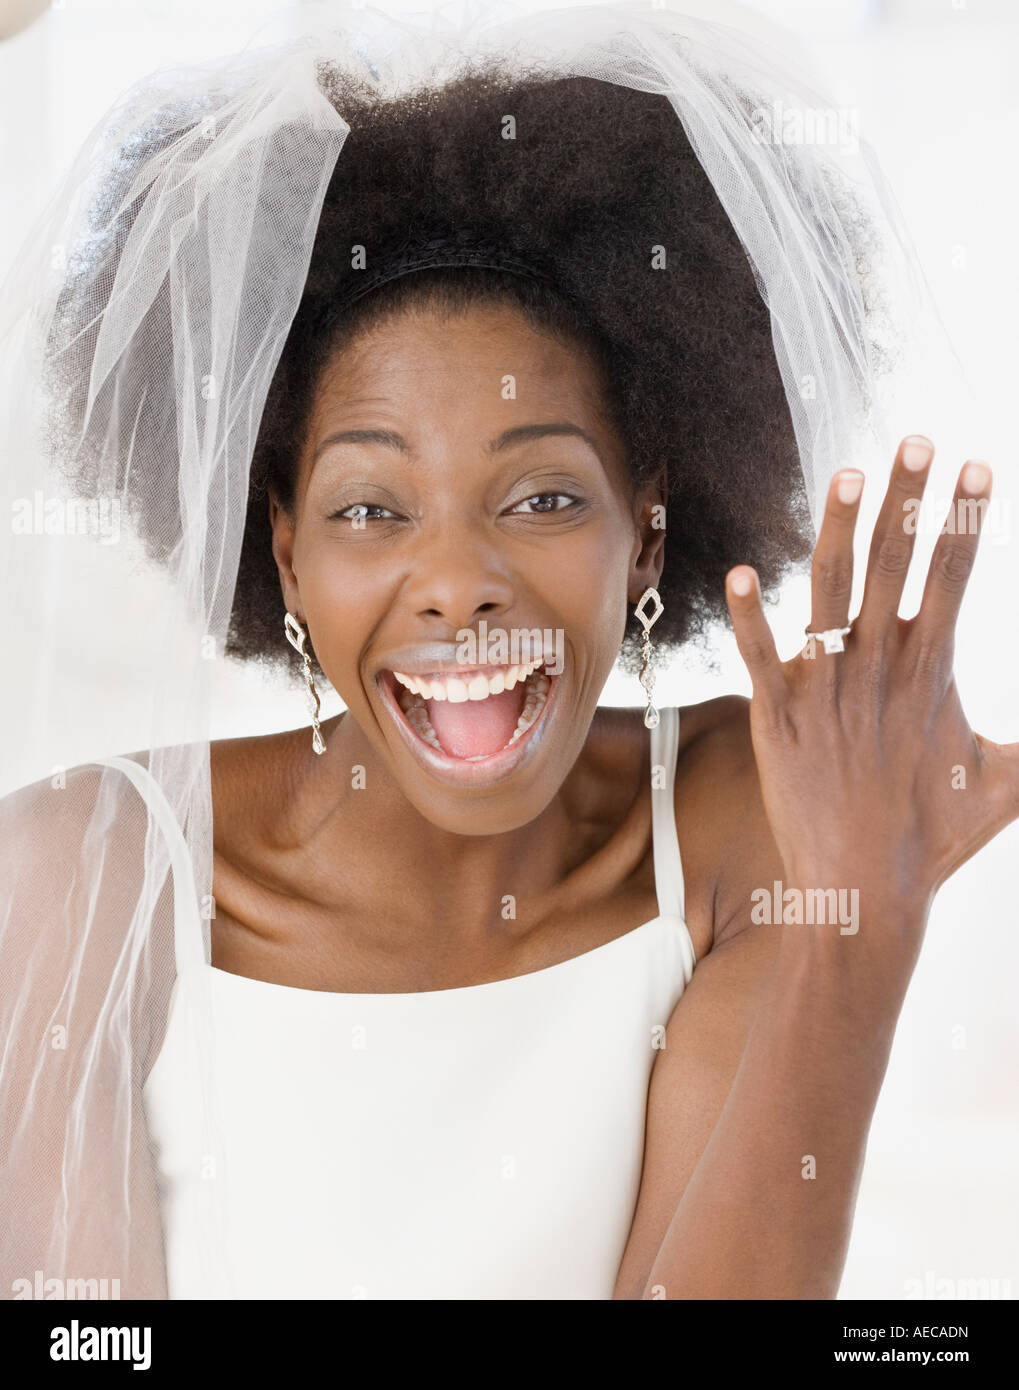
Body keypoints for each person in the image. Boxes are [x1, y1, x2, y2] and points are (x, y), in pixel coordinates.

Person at [2, 1, 1013, 1301]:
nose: (460, 588)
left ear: (647, 533)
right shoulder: (75, 880)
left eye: (542, 497)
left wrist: (861, 929)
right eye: (372, 508)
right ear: (288, 551)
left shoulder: (741, 822)